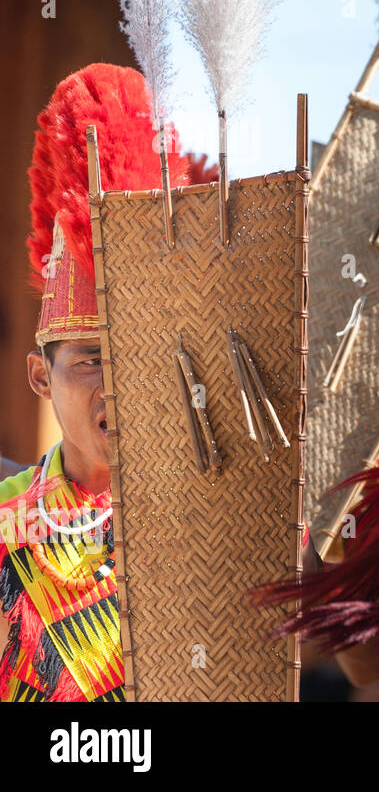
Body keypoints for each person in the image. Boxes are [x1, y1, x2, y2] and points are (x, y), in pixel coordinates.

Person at [0, 64, 216, 701]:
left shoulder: (222, 514)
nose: (120, 380)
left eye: (137, 351)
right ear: (41, 375)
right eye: (91, 357)